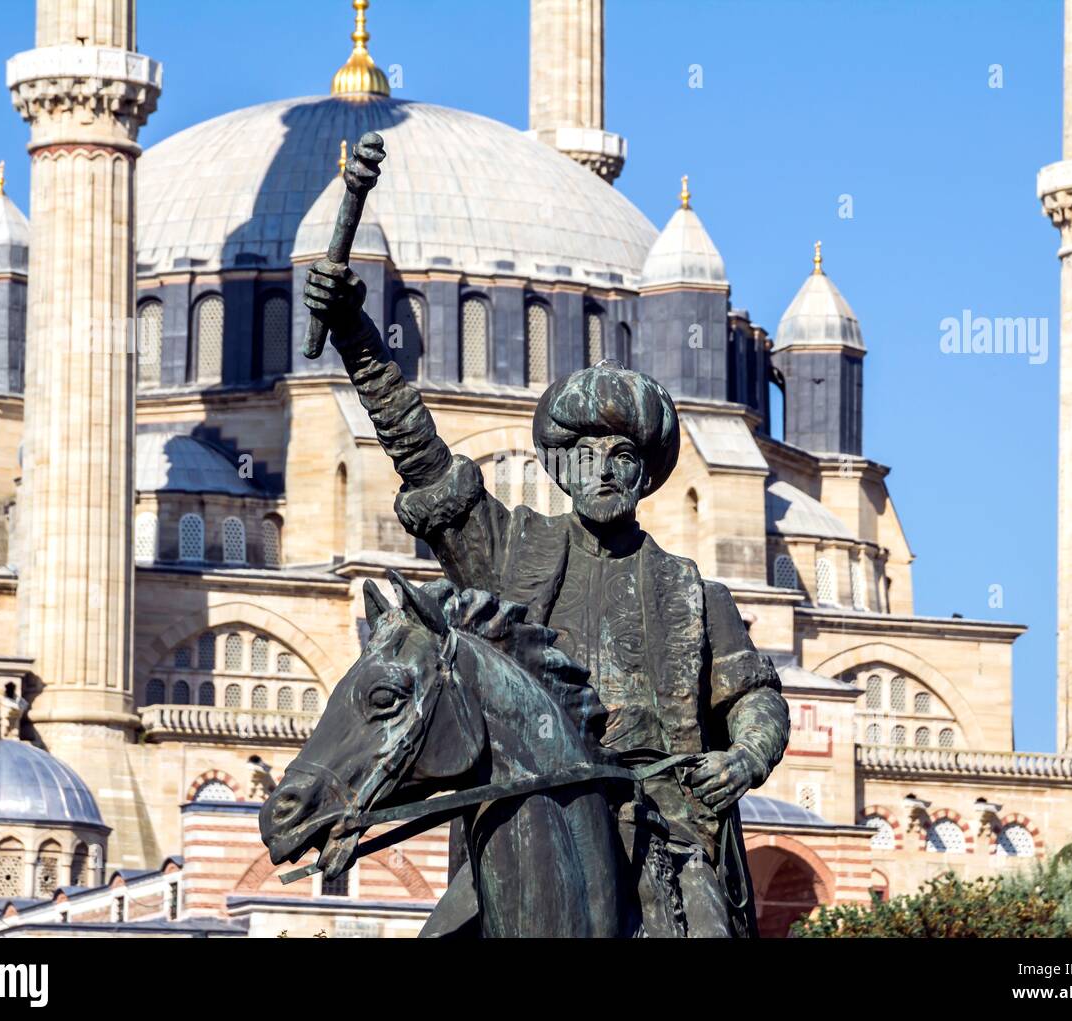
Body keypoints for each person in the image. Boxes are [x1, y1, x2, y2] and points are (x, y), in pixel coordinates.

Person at [304, 239, 789, 938]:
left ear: (643, 474)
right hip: (531, 830)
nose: (603, 473)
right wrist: (356, 334)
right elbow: (422, 457)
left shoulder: (692, 592)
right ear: (560, 468)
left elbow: (754, 697)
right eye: (585, 456)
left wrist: (743, 756)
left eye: (621, 457)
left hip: (658, 830)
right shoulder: (512, 552)